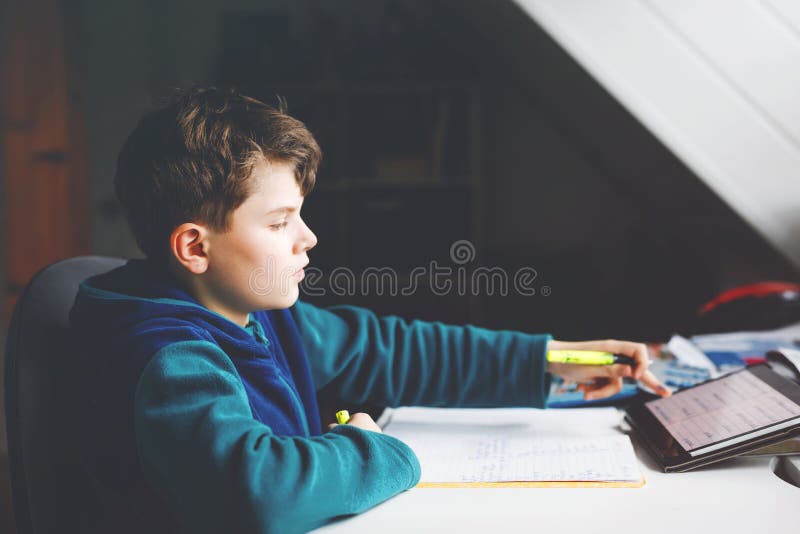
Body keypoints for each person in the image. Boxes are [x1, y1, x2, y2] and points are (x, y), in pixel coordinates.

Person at [70, 87, 670, 534]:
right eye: (280, 222)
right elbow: (259, 493)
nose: (307, 238)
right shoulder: (171, 358)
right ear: (195, 247)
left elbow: (390, 348)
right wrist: (373, 447)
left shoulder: (257, 311)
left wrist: (552, 359)